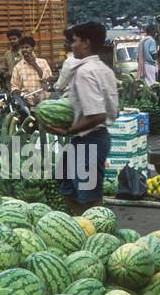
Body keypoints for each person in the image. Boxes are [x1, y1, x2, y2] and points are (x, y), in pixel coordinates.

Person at [58, 21, 118, 213]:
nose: (71, 45)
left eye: (74, 41)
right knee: (66, 183)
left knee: (89, 198)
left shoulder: (84, 72)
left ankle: (95, 232)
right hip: (91, 139)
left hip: (89, 139)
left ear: (86, 43)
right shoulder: (104, 69)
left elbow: (97, 115)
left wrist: (67, 130)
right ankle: (81, 224)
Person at [9, 36, 53, 107]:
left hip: (45, 103)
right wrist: (19, 94)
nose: (24, 50)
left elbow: (49, 80)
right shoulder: (17, 67)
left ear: (32, 48)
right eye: (22, 47)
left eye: (27, 47)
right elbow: (14, 87)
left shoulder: (43, 62)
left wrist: (34, 64)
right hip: (27, 104)